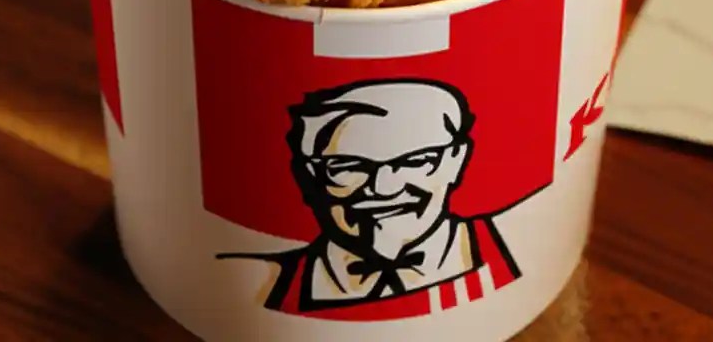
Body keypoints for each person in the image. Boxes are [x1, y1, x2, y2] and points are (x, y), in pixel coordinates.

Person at [219, 78, 519, 317]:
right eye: (348, 166)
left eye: (416, 161)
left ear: (457, 159)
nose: (384, 188)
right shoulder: (252, 280)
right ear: (309, 174)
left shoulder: (520, 240)